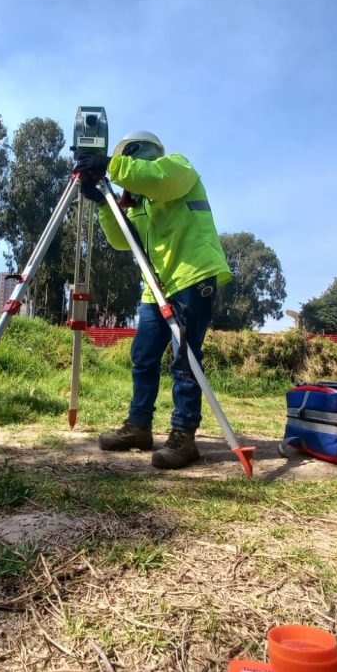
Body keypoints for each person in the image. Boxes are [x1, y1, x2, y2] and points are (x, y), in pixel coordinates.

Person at [74, 131, 233, 469]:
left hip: (192, 277)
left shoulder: (176, 168)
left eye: (128, 156)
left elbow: (157, 179)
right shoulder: (140, 202)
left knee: (184, 357)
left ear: (144, 152)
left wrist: (110, 166)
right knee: (143, 357)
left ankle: (183, 435)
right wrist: (104, 203)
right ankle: (139, 426)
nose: (126, 163)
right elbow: (122, 239)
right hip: (156, 287)